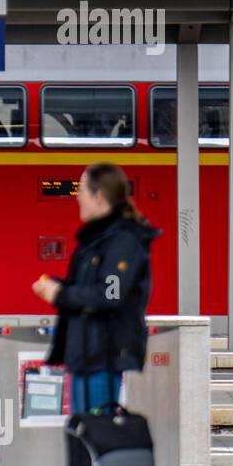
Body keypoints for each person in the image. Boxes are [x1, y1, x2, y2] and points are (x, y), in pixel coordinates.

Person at [32, 162, 159, 415]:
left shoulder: (123, 241)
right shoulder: (95, 240)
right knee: (84, 434)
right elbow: (89, 287)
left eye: (82, 191)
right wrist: (59, 286)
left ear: (99, 196)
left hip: (104, 355)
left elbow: (110, 294)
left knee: (97, 434)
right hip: (85, 354)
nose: (77, 197)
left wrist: (61, 294)